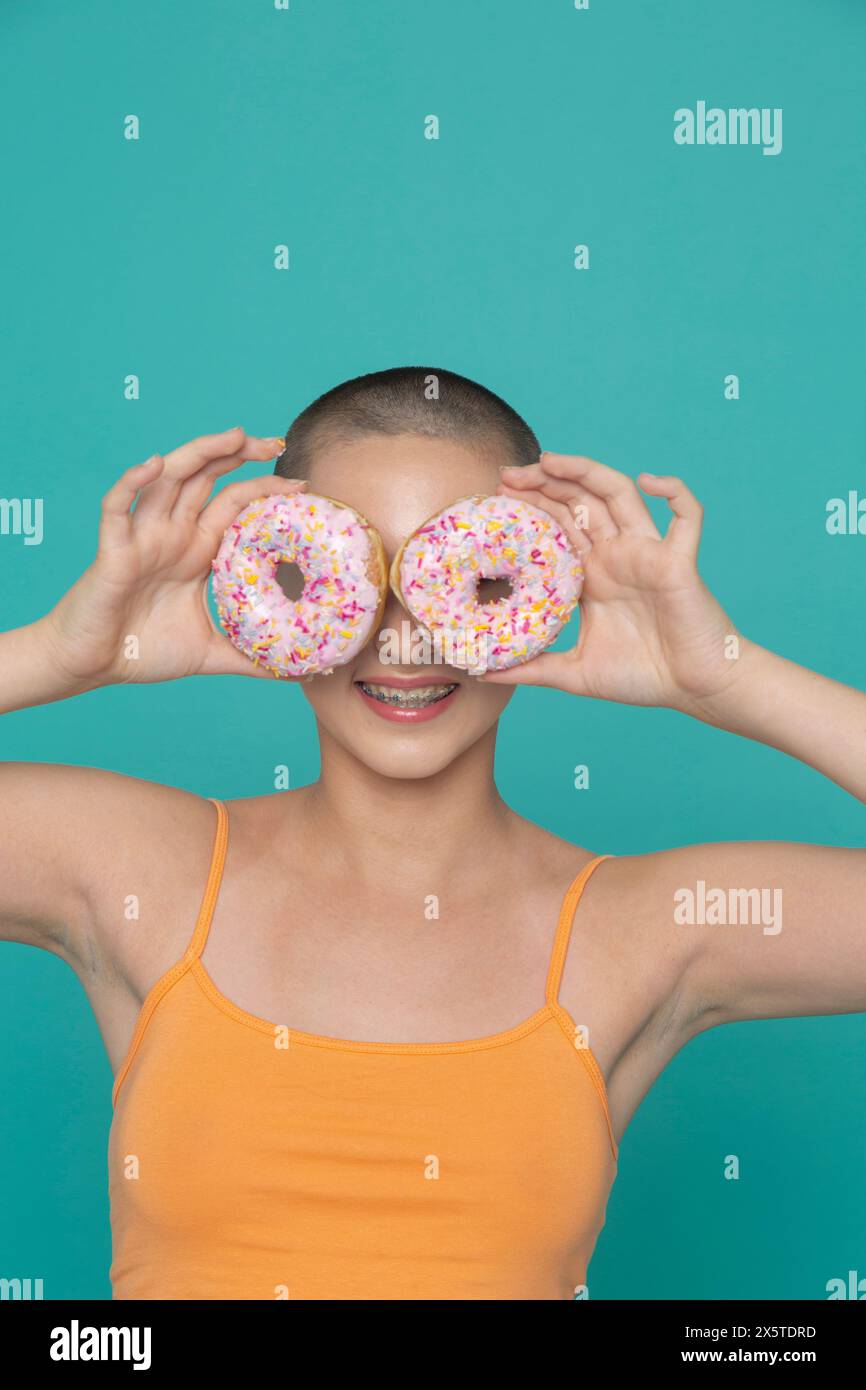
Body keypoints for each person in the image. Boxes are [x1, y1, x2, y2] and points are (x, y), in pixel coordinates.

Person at [2, 367, 864, 1301]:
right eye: (344, 576)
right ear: (263, 583)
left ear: (554, 580)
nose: (404, 638)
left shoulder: (644, 928)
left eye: (468, 581)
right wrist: (62, 652)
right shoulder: (139, 869)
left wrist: (724, 677)